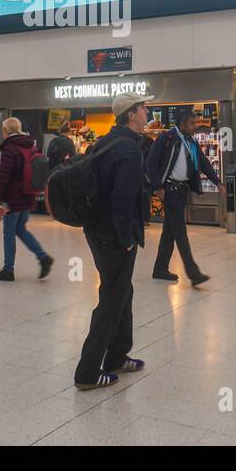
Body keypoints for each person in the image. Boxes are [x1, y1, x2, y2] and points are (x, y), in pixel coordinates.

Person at [74, 93, 153, 391]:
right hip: (113, 236)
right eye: (143, 108)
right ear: (131, 114)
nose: (147, 112)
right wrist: (126, 239)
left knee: (122, 292)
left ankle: (117, 356)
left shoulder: (106, 141)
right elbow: (122, 199)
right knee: (111, 299)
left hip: (95, 230)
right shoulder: (129, 151)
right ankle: (87, 371)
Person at [144, 109, 221, 287]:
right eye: (192, 124)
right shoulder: (167, 138)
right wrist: (158, 187)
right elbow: (150, 163)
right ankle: (193, 273)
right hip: (170, 189)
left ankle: (160, 268)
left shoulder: (191, 141)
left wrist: (217, 182)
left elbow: (203, 163)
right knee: (180, 230)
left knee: (169, 232)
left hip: (182, 190)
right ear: (182, 124)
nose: (195, 127)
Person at [0, 117, 54, 282]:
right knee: (21, 229)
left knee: (9, 233)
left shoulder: (9, 148)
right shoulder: (30, 145)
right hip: (28, 194)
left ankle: (8, 270)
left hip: (12, 197)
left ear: (6, 131)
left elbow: (3, 176)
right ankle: (43, 257)